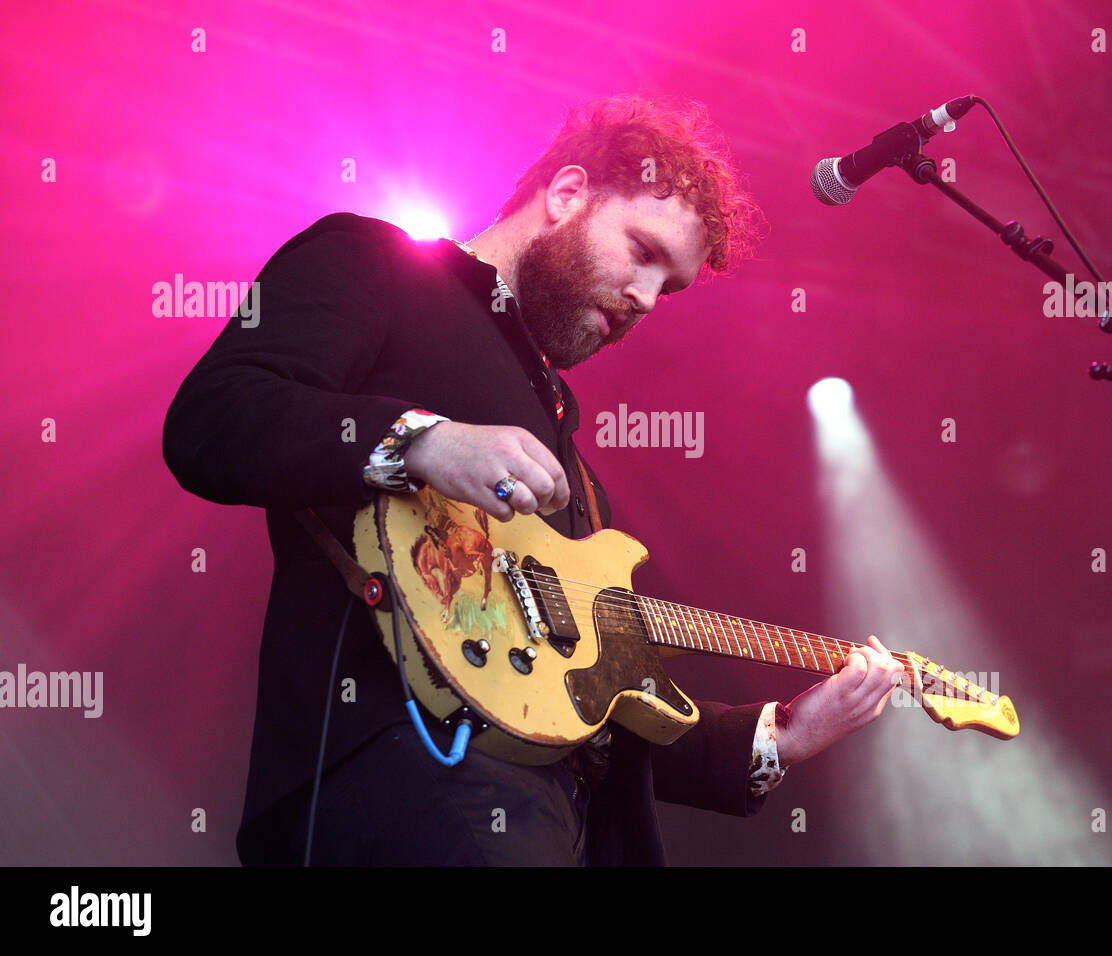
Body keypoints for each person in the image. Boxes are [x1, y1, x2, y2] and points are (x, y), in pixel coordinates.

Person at [163, 94, 904, 866]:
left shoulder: (577, 475)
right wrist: (424, 442)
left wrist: (782, 736)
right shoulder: (374, 264)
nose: (647, 299)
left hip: (555, 831)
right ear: (567, 195)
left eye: (670, 289)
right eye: (643, 252)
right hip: (401, 785)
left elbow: (598, 706)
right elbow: (215, 417)